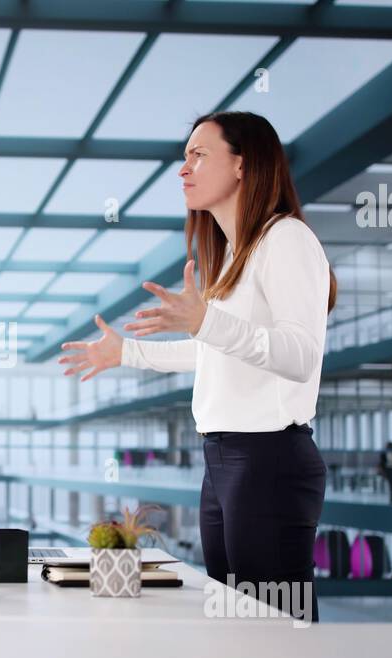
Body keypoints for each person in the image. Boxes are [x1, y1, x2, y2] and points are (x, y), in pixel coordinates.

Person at [58, 111, 336, 624]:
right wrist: (127, 353)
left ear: (241, 165)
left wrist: (207, 320)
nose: (183, 169)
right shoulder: (234, 254)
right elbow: (217, 350)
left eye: (198, 155)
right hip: (225, 460)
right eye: (184, 157)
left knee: (278, 633)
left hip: (268, 460)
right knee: (237, 626)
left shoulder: (287, 240)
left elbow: (300, 356)